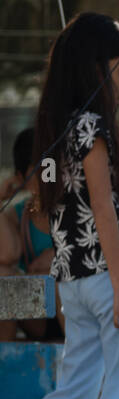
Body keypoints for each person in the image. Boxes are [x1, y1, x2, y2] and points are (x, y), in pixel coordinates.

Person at [23, 13, 119, 399]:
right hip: (115, 274)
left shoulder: (54, 128)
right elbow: (103, 208)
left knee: (71, 397)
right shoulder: (93, 126)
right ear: (97, 67)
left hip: (74, 281)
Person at [0, 128, 62, 343]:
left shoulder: (74, 210)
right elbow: (7, 255)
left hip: (73, 311)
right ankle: (4, 365)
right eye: (39, 169)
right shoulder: (17, 216)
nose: (47, 175)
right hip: (37, 317)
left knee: (58, 277)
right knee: (3, 276)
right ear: (21, 177)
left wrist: (58, 256)